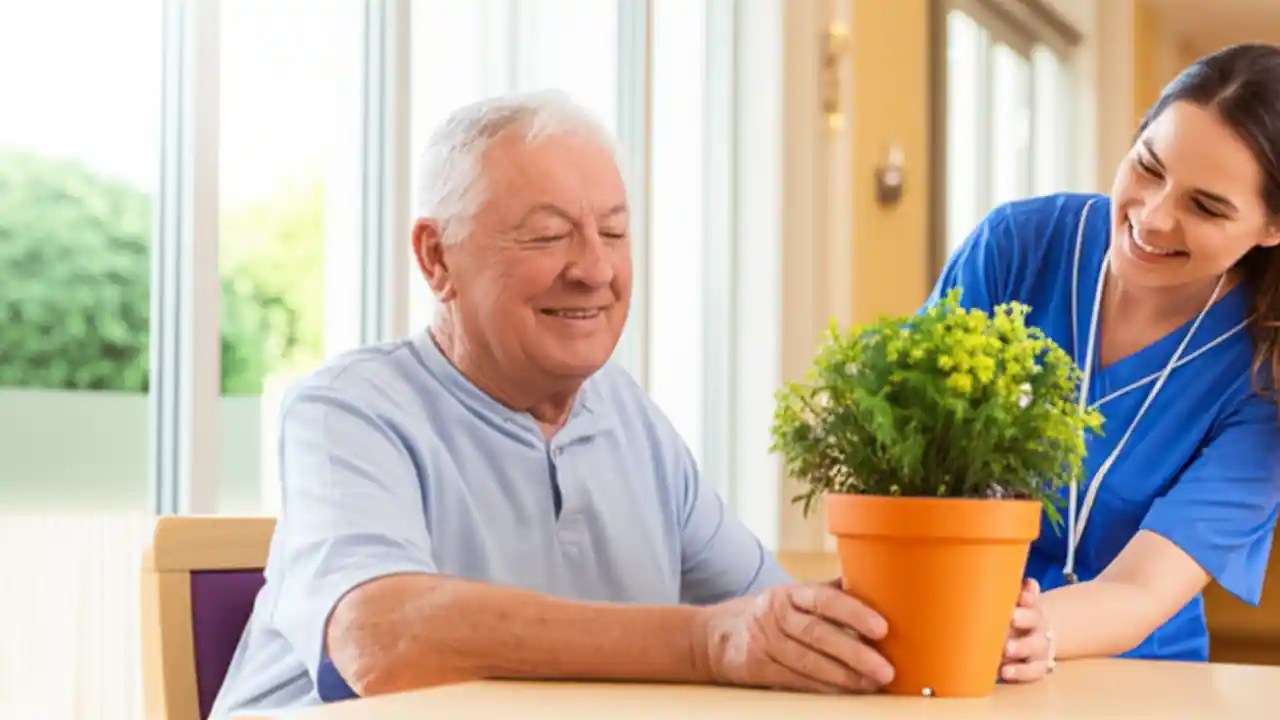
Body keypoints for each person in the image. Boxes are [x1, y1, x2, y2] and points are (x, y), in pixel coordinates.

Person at [210, 90, 1053, 718]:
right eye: (547, 235)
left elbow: (763, 616)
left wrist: (953, 618)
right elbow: (378, 638)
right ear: (436, 258)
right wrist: (704, 642)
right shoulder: (348, 410)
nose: (594, 269)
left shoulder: (629, 419)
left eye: (613, 232)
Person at [931, 43, 1280, 669]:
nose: (1153, 216)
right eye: (1148, 167)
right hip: (948, 633)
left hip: (1138, 675)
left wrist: (1025, 629)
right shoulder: (1019, 247)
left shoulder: (1264, 377)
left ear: (1271, 228)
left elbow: (1142, 588)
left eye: (1205, 206)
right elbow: (907, 450)